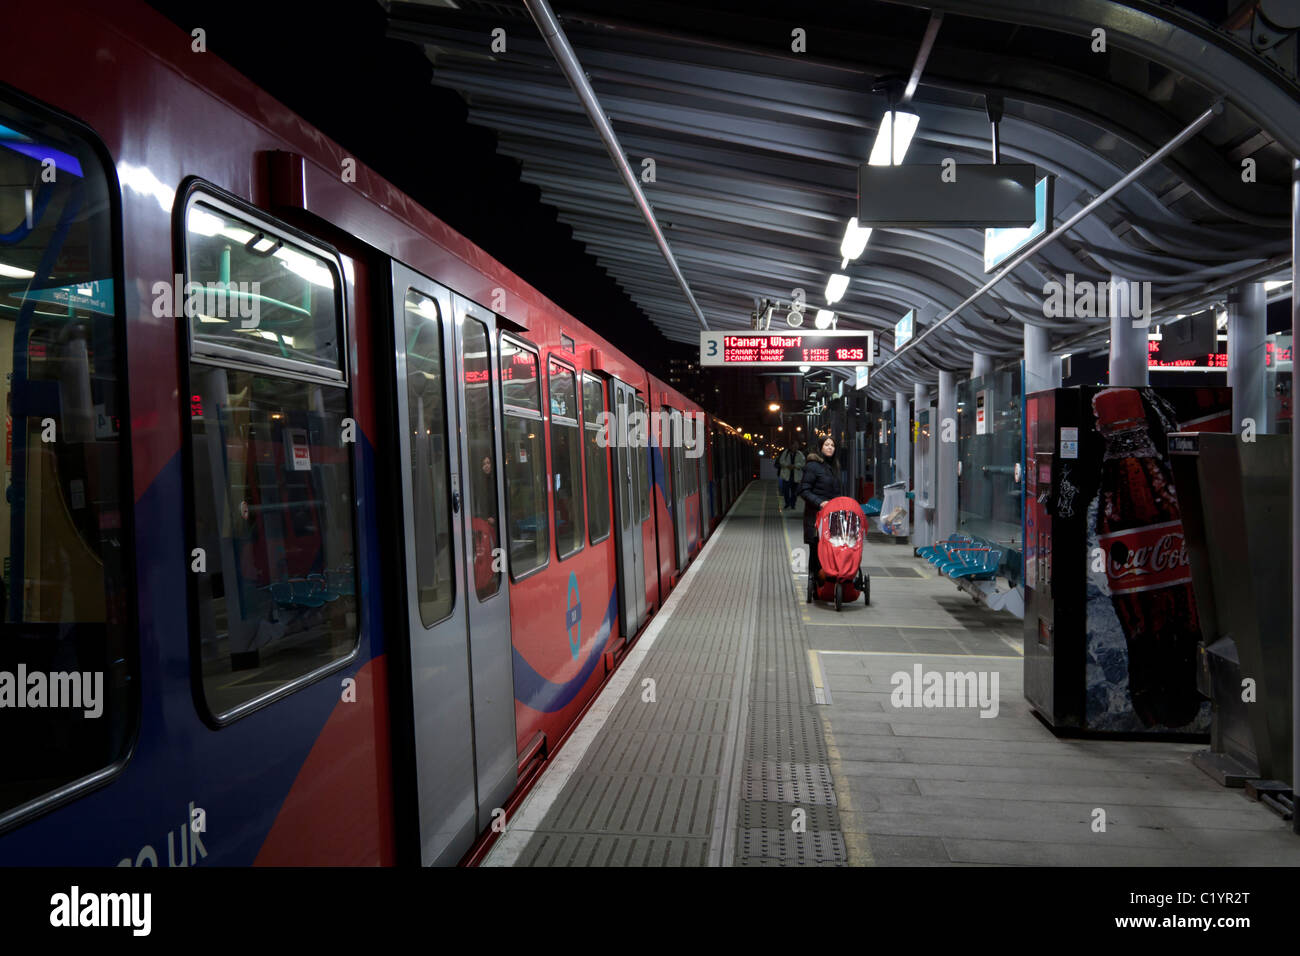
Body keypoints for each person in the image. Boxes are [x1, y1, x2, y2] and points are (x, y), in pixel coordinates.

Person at [799, 435, 844, 582]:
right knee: (816, 551)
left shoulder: (833, 466)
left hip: (832, 517)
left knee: (832, 550)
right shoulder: (813, 466)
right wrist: (820, 503)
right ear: (820, 447)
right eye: (826, 445)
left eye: (832, 445)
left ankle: (830, 582)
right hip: (815, 517)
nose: (830, 447)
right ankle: (815, 586)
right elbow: (803, 490)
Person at [776, 439, 805, 511]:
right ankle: (787, 503)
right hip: (786, 476)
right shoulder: (785, 453)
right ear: (791, 446)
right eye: (794, 445)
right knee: (785, 491)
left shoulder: (800, 454)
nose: (795, 447)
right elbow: (781, 461)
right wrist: (788, 465)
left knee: (794, 492)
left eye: (797, 445)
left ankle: (793, 504)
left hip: (796, 476)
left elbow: (803, 463)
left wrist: (795, 466)